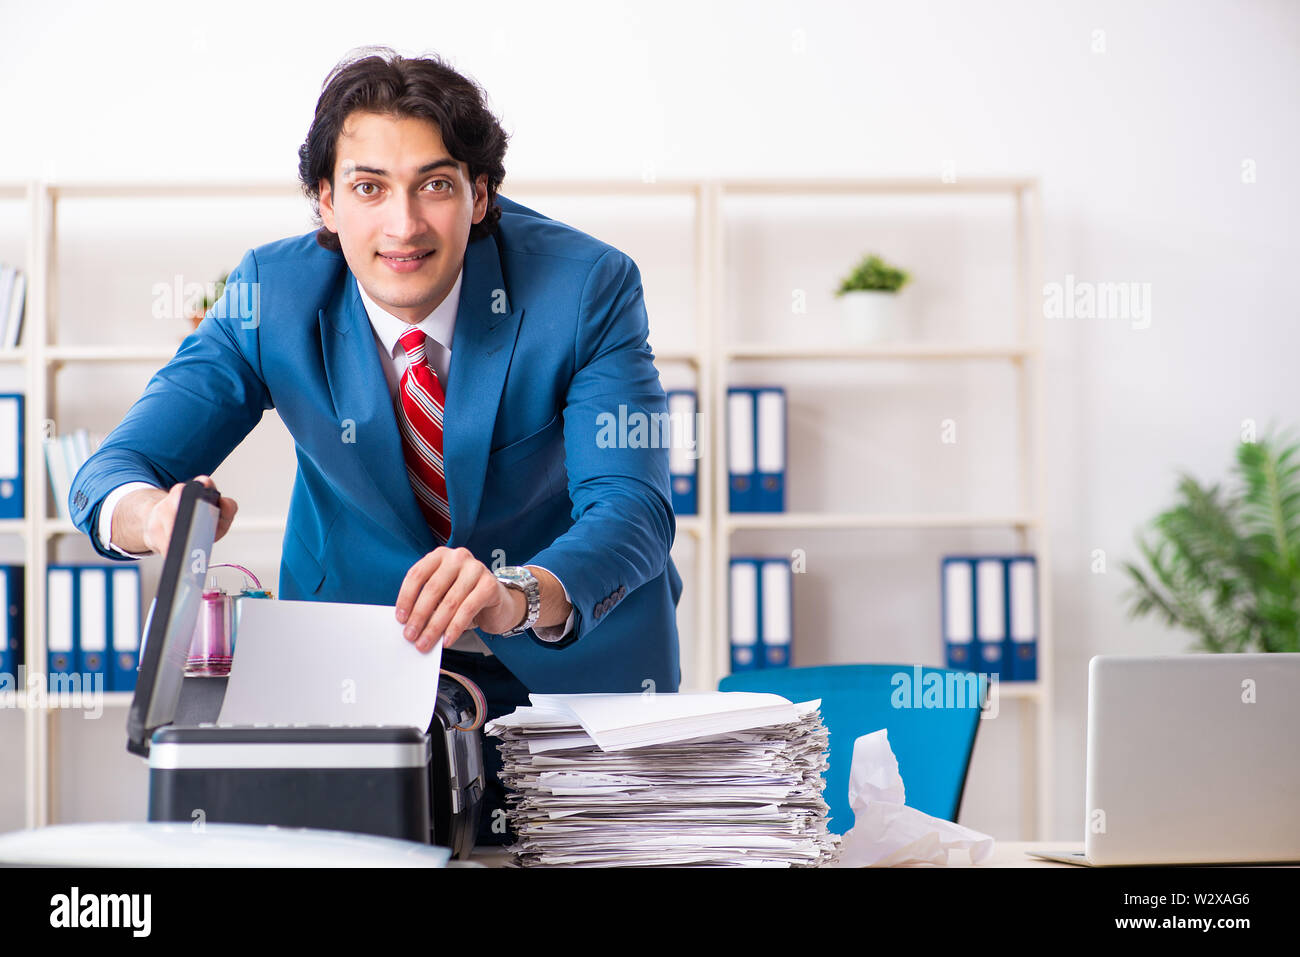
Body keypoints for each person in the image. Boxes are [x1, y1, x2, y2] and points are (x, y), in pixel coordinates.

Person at [68, 46, 682, 846]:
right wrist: (152, 518)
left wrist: (516, 593)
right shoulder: (271, 295)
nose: (403, 225)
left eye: (435, 184)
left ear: (481, 195)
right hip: (359, 673)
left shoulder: (586, 287)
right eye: (367, 187)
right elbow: (111, 472)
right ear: (323, 202)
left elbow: (634, 507)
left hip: (574, 672)